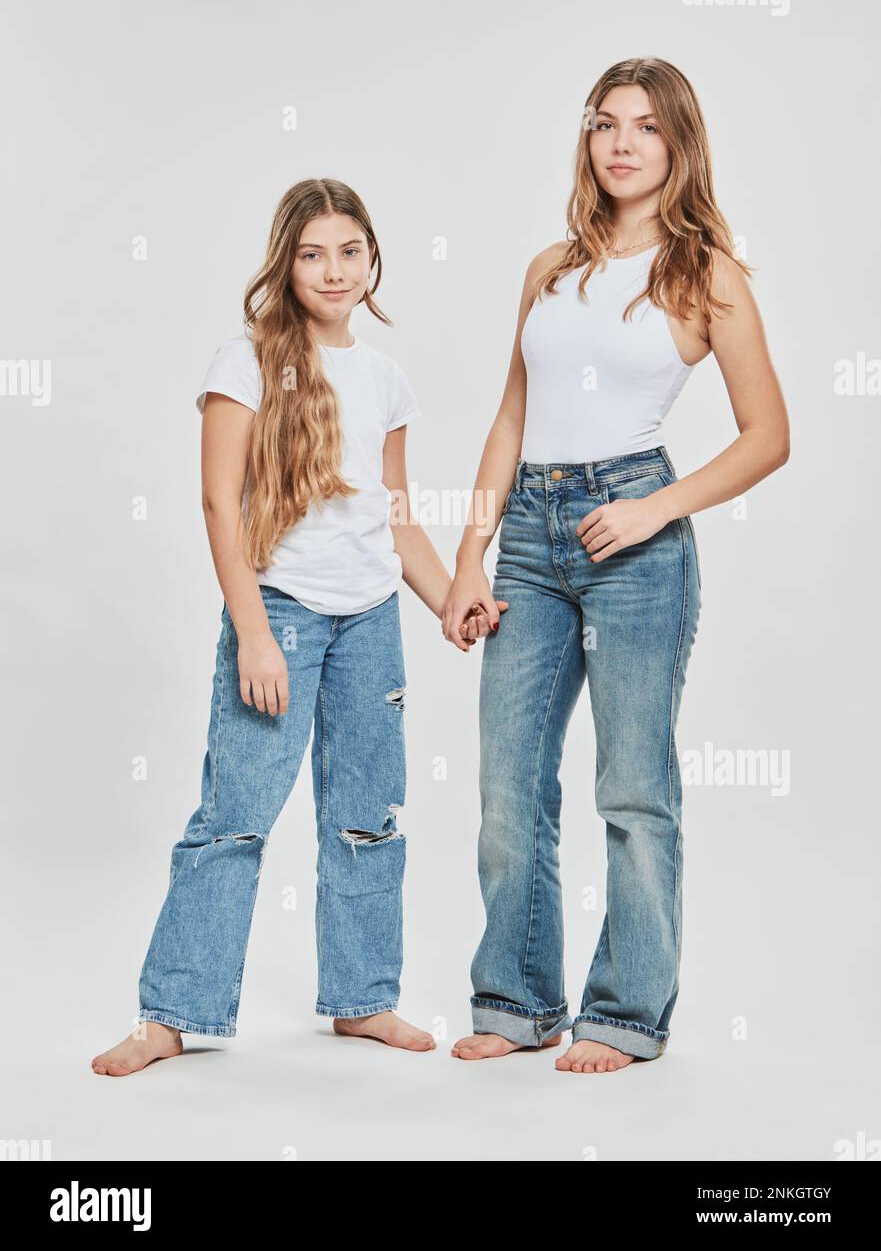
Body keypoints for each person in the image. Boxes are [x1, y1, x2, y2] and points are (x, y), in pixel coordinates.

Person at [92, 177, 488, 1077]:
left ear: (372, 258)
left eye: (350, 250)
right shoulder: (245, 362)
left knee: (367, 818)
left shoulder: (384, 377)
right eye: (313, 253)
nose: (333, 269)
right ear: (286, 260)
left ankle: (362, 1000)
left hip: (370, 622)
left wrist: (447, 605)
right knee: (233, 817)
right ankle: (172, 1013)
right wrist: (254, 633)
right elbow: (217, 504)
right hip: (280, 613)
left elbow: (397, 519)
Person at [442, 57, 790, 1073]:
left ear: (677, 144)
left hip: (635, 537)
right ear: (587, 141)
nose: (621, 141)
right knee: (508, 785)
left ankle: (626, 1013)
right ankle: (514, 1001)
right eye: (604, 123)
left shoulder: (703, 274)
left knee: (631, 787)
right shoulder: (548, 268)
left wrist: (652, 507)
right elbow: (510, 417)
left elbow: (766, 434)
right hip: (529, 543)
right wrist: (470, 555)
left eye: (644, 125)